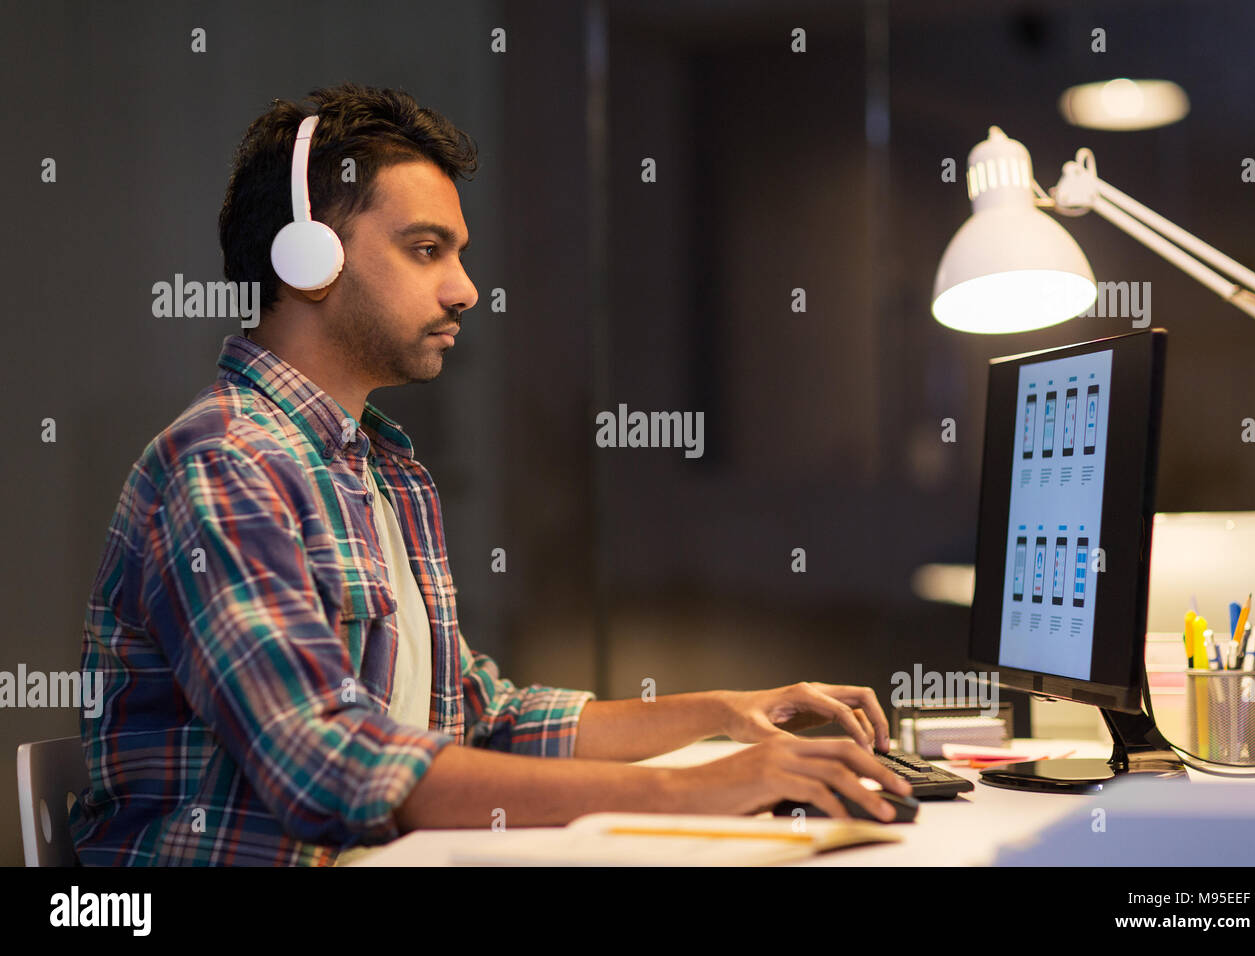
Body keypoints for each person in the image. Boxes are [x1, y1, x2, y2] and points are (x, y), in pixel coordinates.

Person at [71, 82, 909, 866]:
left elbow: (480, 719)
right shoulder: (226, 463)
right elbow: (329, 766)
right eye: (426, 249)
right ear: (307, 257)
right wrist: (695, 791)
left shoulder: (378, 468)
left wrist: (725, 717)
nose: (465, 289)